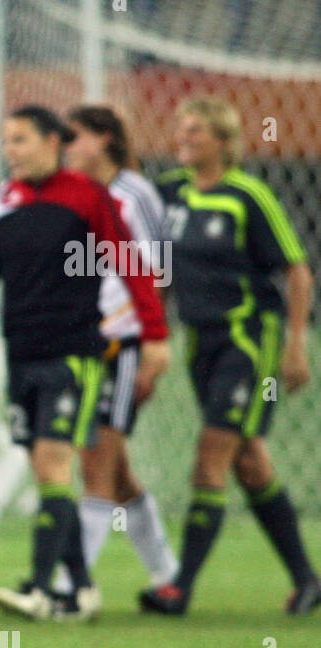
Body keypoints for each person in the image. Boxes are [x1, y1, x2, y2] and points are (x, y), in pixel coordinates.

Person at [0, 105, 169, 621]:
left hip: (76, 353)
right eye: (7, 140)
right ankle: (82, 590)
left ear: (50, 142)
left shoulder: (88, 196)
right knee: (48, 473)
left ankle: (43, 590)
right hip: (22, 352)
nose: (9, 150)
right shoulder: (5, 199)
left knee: (54, 464)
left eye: (19, 140)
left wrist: (154, 334)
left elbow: (129, 262)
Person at [142, 97, 319, 616]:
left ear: (223, 140)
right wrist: (153, 330)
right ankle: (308, 579)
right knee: (249, 460)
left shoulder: (249, 196)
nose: (184, 136)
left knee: (213, 452)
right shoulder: (170, 192)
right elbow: (163, 268)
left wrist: (295, 347)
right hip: (199, 341)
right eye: (181, 127)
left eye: (196, 130)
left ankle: (179, 587)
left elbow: (297, 270)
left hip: (248, 338)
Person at [54, 104, 178, 596]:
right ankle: (169, 575)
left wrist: (153, 341)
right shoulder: (75, 195)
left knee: (96, 456)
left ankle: (72, 584)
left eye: (75, 137)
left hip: (125, 344)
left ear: (104, 139)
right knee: (113, 463)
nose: (67, 147)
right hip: (82, 343)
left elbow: (157, 272)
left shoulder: (134, 193)